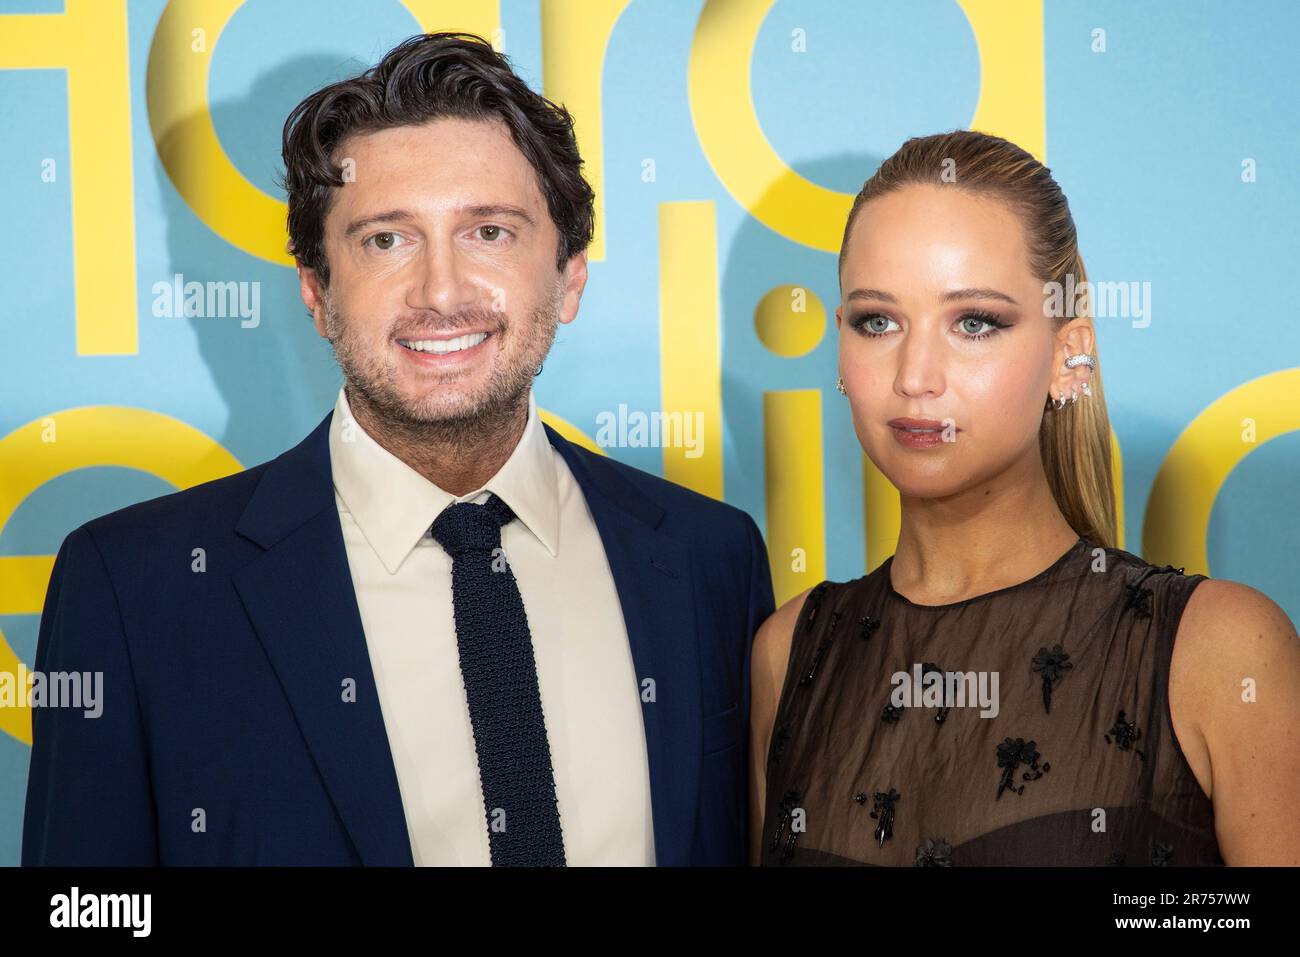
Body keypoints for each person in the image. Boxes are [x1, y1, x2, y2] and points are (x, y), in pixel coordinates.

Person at [22, 32, 773, 867]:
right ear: (316, 290)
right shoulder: (136, 590)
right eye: (386, 239)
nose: (441, 291)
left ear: (568, 277)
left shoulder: (711, 560)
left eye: (489, 231)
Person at [749, 130, 1300, 866]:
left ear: (1069, 353)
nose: (916, 374)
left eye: (974, 322)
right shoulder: (790, 656)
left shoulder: (1219, 650)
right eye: (877, 321)